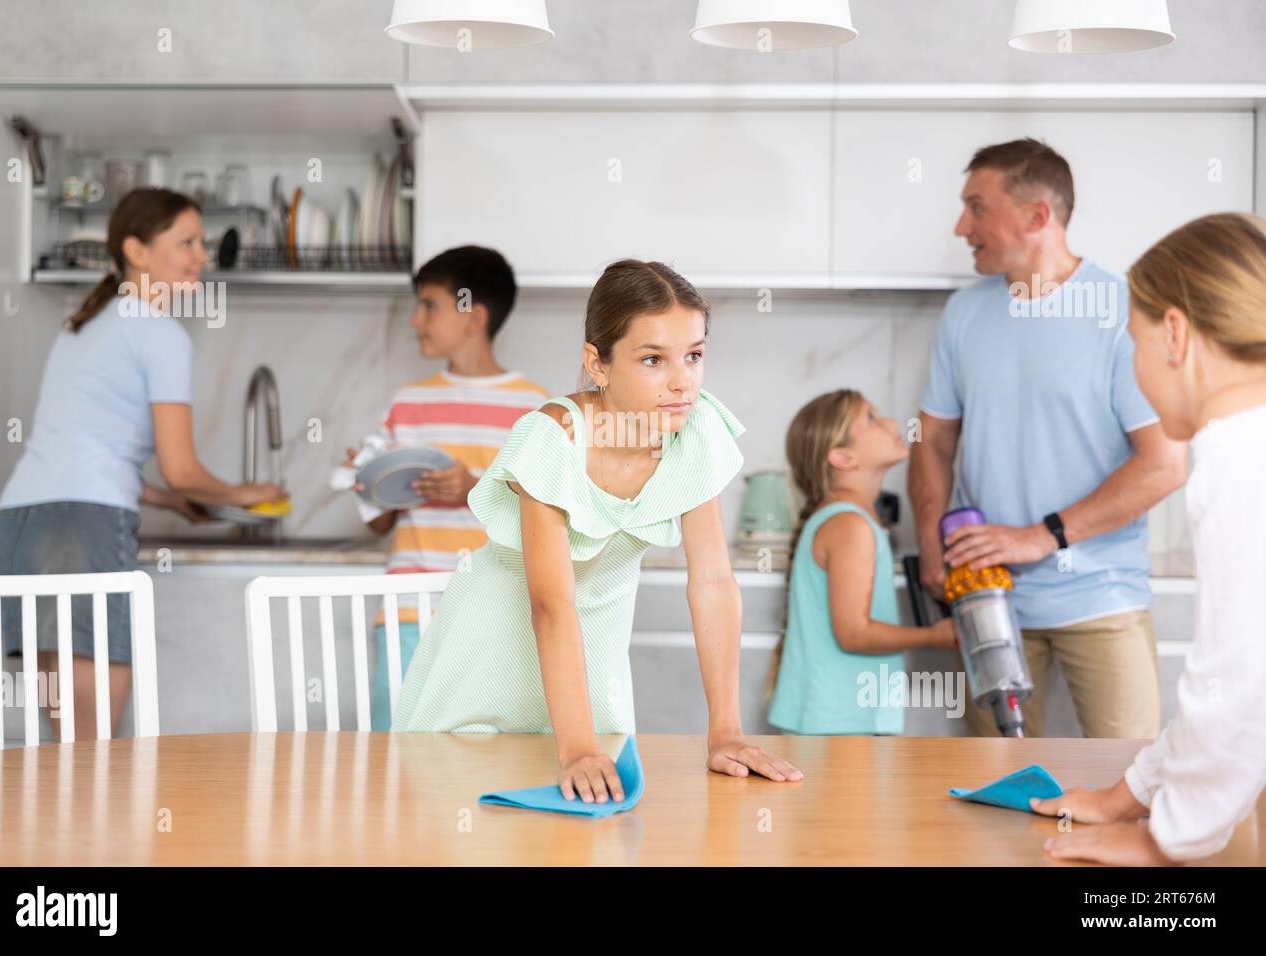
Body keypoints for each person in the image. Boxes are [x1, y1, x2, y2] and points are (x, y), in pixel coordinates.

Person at [394, 258, 802, 803]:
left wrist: (725, 733)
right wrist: (577, 748)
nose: (683, 381)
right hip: (489, 663)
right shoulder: (552, 438)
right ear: (598, 363)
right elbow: (551, 602)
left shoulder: (696, 430)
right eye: (653, 359)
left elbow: (712, 583)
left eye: (695, 355)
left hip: (592, 674)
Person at [908, 138, 1186, 738]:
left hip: (1102, 593)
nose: (961, 226)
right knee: (994, 793)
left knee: (1132, 778)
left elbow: (1163, 464)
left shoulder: (1124, 310)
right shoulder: (964, 313)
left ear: (1038, 216)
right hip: (989, 596)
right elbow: (931, 442)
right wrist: (933, 545)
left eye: (977, 207)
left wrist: (1041, 536)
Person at [0, 187, 286, 740]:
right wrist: (244, 494)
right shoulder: (160, 332)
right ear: (137, 250)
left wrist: (172, 502)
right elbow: (182, 468)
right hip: (83, 528)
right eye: (187, 242)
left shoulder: (78, 327)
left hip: (20, 526)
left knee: (67, 743)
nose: (202, 255)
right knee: (95, 743)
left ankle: (65, 829)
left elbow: (84, 447)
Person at [1032, 212, 1266, 864]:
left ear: (1174, 334)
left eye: (1134, 342)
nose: (1134, 370)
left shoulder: (1238, 456)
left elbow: (1241, 679)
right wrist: (1130, 795)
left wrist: (1166, 840)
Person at [344, 246, 548, 730]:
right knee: (392, 747)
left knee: (482, 753)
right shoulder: (407, 403)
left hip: (493, 609)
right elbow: (378, 524)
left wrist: (473, 487)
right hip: (407, 608)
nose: (415, 320)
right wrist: (370, 482)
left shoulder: (536, 409)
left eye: (429, 306)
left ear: (472, 316)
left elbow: (549, 519)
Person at [768, 391, 956, 735]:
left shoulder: (847, 521)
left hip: (830, 719)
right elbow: (854, 634)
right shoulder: (850, 527)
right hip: (838, 722)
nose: (892, 423)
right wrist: (933, 635)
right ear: (842, 456)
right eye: (870, 418)